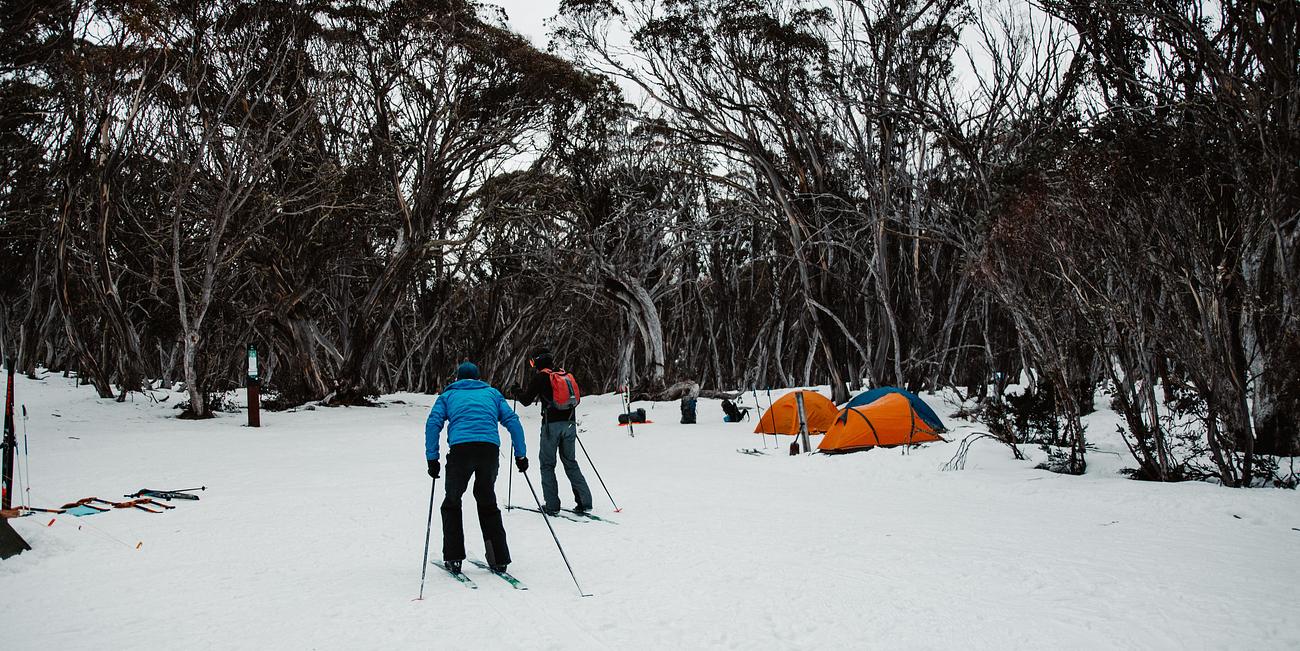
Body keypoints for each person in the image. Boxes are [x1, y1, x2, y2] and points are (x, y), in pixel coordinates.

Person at [425, 361, 527, 574]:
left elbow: (433, 423)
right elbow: (513, 421)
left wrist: (432, 459)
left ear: (458, 378)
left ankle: (454, 558)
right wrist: (520, 454)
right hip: (489, 451)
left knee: (452, 501)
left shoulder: (448, 396)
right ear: (478, 377)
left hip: (461, 450)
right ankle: (499, 559)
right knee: (487, 501)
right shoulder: (492, 394)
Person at [516, 348, 592, 515]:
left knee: (547, 464)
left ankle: (552, 505)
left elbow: (526, 401)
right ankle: (585, 501)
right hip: (570, 423)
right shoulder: (564, 374)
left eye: (532, 362)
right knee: (570, 463)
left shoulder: (541, 377)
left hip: (551, 426)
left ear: (537, 361)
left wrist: (517, 391)